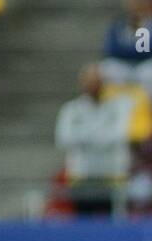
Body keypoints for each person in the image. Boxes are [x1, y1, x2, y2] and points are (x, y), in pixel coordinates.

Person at [54, 64, 132, 216]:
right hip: (82, 177)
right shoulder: (71, 110)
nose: (93, 85)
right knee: (84, 227)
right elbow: (63, 139)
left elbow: (121, 134)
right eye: (89, 81)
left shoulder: (118, 107)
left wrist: (84, 137)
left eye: (97, 81)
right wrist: (101, 136)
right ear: (82, 83)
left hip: (112, 178)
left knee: (112, 228)